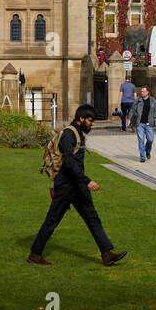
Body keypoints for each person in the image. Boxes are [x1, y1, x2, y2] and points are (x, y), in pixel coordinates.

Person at [28, 104, 127, 267]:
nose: (92, 123)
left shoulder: (78, 133)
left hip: (77, 185)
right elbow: (70, 164)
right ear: (81, 119)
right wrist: (87, 181)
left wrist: (83, 182)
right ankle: (35, 254)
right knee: (52, 219)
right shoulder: (69, 134)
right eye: (90, 120)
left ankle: (107, 254)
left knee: (92, 217)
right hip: (66, 185)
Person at [127, 86, 156, 163]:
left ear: (147, 92)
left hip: (149, 123)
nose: (141, 93)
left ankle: (147, 151)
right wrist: (129, 119)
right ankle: (142, 157)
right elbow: (132, 109)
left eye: (143, 91)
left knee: (150, 139)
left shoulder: (152, 100)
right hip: (140, 123)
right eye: (141, 91)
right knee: (141, 140)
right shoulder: (138, 100)